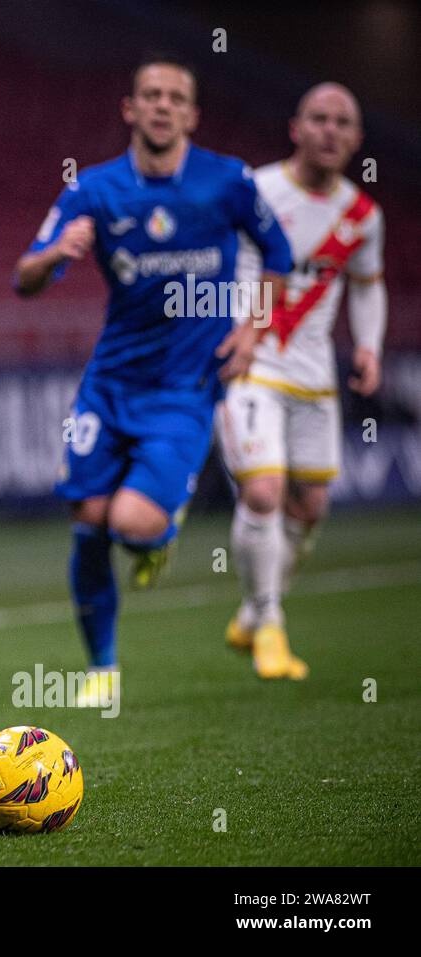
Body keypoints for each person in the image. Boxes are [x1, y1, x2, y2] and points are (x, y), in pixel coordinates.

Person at [13, 56, 292, 702]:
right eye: (150, 95)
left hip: (183, 389)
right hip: (109, 383)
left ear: (192, 114)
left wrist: (252, 330)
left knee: (130, 522)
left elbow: (278, 255)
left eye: (175, 97)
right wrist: (57, 253)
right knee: (87, 516)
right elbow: (23, 278)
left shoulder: (227, 181)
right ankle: (101, 668)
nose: (162, 106)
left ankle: (157, 533)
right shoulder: (94, 190)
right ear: (129, 109)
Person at [218, 83, 386, 679]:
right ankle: (270, 626)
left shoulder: (363, 217)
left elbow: (367, 286)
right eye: (319, 118)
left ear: (357, 140)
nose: (330, 131)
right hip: (251, 366)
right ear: (296, 127)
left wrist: (367, 346)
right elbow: (210, 262)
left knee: (310, 506)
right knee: (263, 492)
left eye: (343, 122)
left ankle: (251, 611)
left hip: (314, 378)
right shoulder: (254, 191)